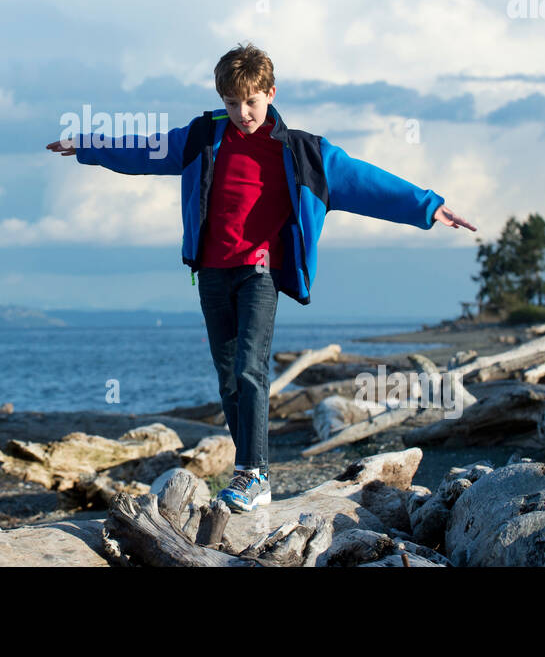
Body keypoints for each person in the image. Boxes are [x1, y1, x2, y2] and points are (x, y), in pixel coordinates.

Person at [45, 42, 476, 512]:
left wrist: (428, 206)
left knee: (251, 368)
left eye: (251, 101)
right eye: (232, 103)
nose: (242, 112)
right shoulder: (202, 137)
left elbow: (367, 182)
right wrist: (88, 145)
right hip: (211, 272)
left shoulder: (304, 152)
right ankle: (250, 474)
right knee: (229, 379)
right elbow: (147, 150)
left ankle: (253, 474)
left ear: (270, 92)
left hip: (260, 272)